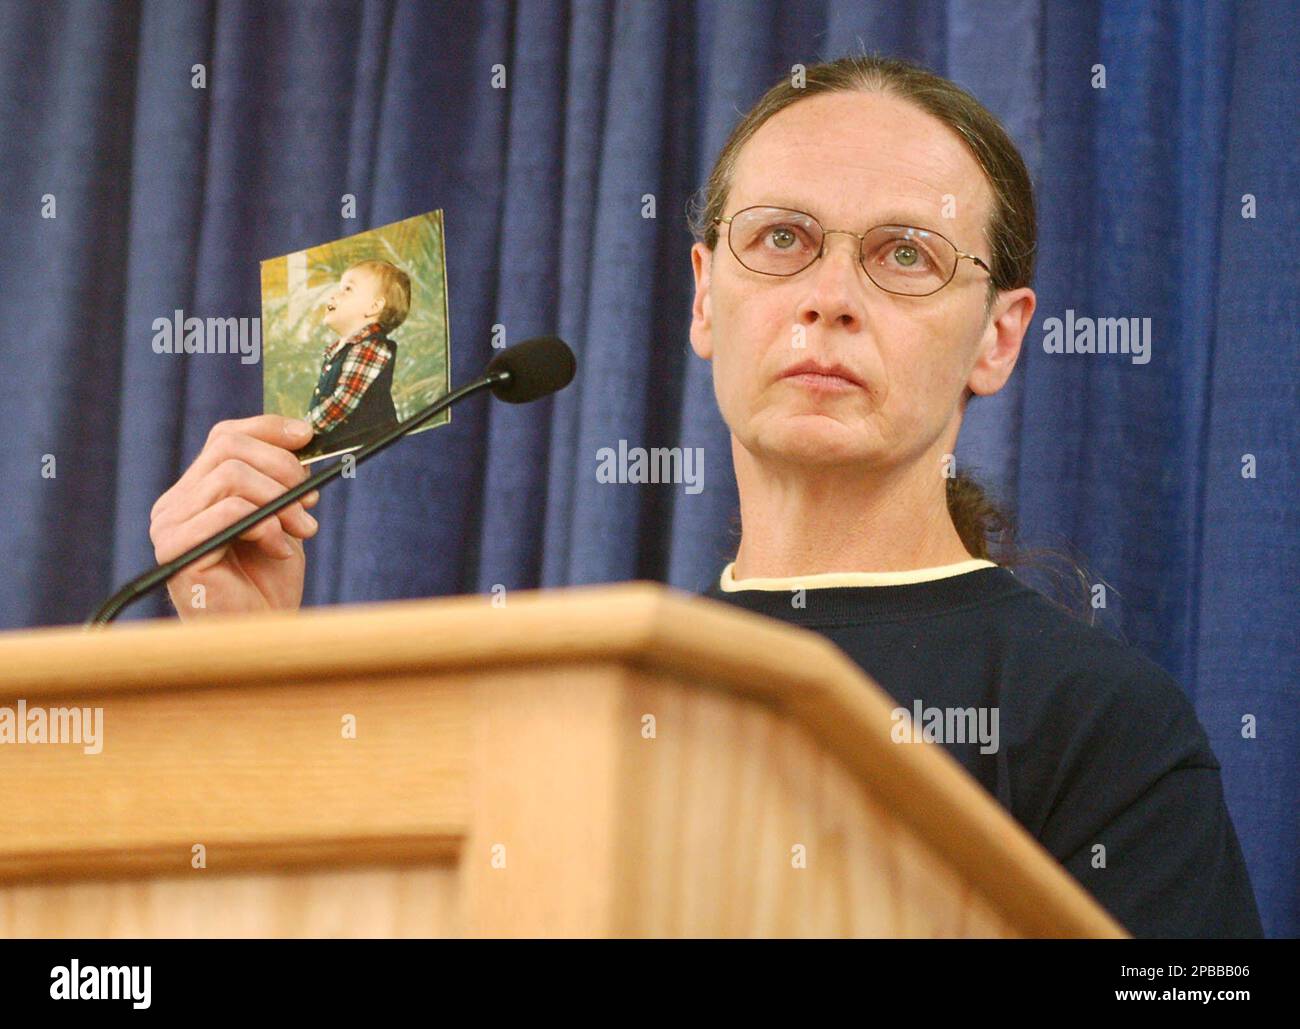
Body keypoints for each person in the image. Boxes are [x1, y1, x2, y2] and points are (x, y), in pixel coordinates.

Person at [148, 55, 1262, 938]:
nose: (827, 298)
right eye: (780, 239)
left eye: (904, 256)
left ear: (1000, 336)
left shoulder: (1103, 721)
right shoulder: (595, 693)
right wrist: (237, 668)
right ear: (702, 298)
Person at [296, 259, 408, 460]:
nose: (334, 294)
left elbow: (344, 400)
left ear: (374, 306)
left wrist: (305, 433)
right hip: (346, 449)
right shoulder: (344, 349)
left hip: (371, 446)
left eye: (348, 289)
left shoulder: (369, 347)